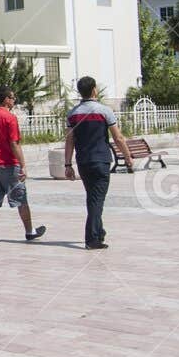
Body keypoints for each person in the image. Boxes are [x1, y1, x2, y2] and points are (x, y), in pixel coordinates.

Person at [64, 77, 133, 250]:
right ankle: (92, 238)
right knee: (96, 199)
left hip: (83, 161)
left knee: (93, 197)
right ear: (94, 90)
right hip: (101, 160)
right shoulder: (104, 111)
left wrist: (67, 165)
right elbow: (118, 137)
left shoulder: (73, 114)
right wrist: (128, 157)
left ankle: (99, 232)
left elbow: (69, 141)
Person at [0, 87, 46, 247]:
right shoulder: (10, 118)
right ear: (6, 99)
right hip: (9, 164)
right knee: (20, 198)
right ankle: (29, 231)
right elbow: (14, 143)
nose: (14, 101)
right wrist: (23, 165)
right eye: (13, 98)